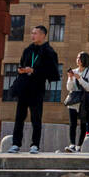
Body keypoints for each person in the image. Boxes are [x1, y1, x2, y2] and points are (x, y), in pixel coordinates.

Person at [10, 24, 60, 154]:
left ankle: (35, 145)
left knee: (36, 117)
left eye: (35, 33)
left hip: (37, 88)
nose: (32, 35)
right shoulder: (27, 50)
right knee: (19, 117)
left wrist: (34, 71)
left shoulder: (49, 52)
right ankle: (15, 144)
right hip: (24, 87)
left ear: (43, 35)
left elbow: (53, 73)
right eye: (32, 33)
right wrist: (22, 70)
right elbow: (22, 64)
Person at [63, 52, 89, 152]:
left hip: (84, 101)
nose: (78, 59)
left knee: (83, 123)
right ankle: (72, 144)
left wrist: (79, 78)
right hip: (74, 100)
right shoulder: (73, 71)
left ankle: (79, 146)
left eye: (80, 58)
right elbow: (69, 88)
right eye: (77, 57)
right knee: (72, 123)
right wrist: (70, 78)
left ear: (84, 60)